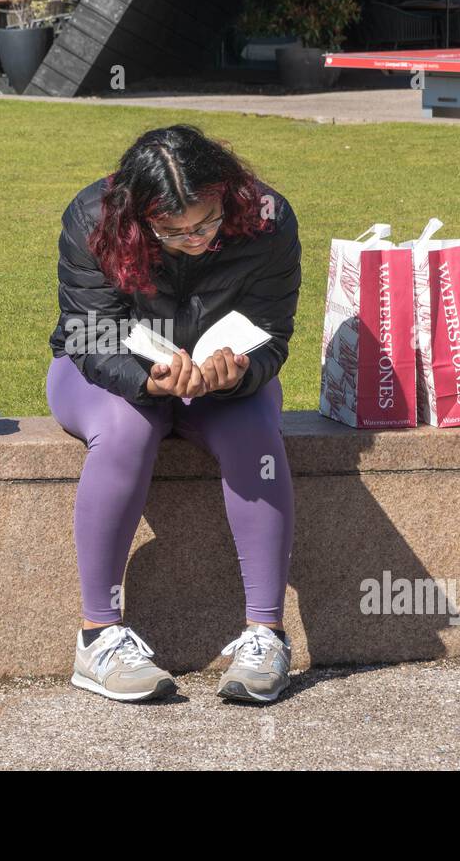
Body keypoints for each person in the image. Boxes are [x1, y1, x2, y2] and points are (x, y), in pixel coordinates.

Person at [46, 123, 301, 704]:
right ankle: (99, 637)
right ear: (139, 216)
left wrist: (240, 370)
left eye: (207, 222)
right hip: (106, 372)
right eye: (172, 230)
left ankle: (266, 634)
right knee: (123, 430)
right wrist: (147, 379)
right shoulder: (93, 217)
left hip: (221, 382)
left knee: (256, 433)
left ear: (226, 192)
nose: (194, 238)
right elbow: (90, 332)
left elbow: (273, 331)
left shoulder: (268, 218)